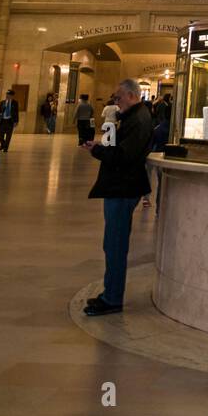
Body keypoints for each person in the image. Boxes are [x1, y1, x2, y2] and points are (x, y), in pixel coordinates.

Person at [82, 79, 154, 315]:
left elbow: (124, 156)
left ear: (132, 96)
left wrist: (98, 150)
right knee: (111, 243)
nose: (116, 102)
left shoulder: (139, 120)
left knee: (115, 244)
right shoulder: (134, 117)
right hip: (120, 187)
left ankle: (112, 298)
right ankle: (109, 293)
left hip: (123, 189)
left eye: (119, 97)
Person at [0, 88, 19, 153]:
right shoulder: (2, 102)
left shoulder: (15, 103)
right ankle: (3, 144)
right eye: (7, 94)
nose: (7, 96)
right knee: (0, 134)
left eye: (9, 94)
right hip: (3, 120)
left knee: (8, 135)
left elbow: (16, 112)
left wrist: (16, 121)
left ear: (12, 96)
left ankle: (5, 148)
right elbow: (0, 111)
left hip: (10, 121)